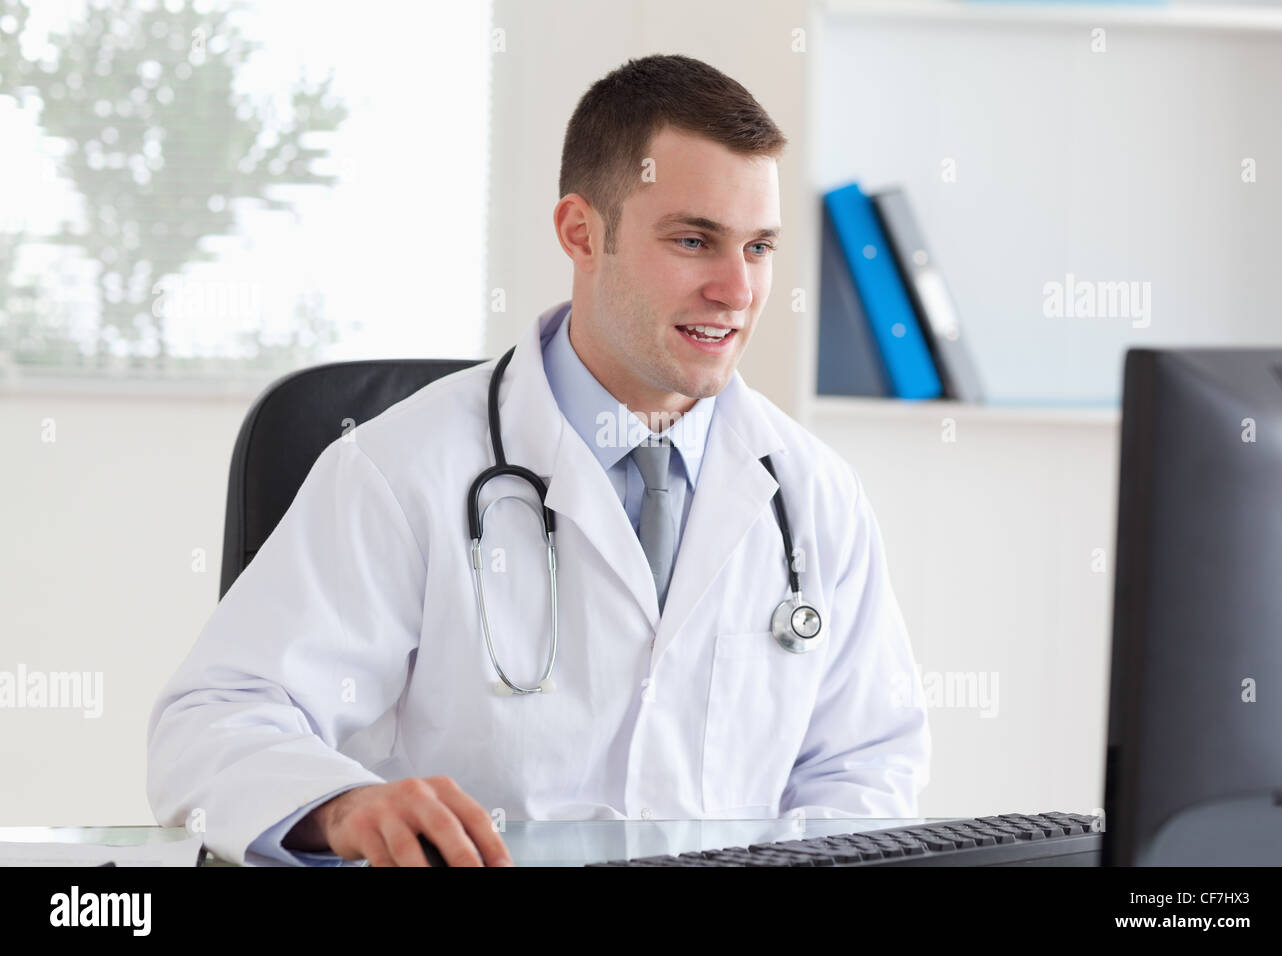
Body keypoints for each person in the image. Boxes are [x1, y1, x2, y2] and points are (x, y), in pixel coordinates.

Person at [146, 53, 931, 867]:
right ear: (582, 233)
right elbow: (211, 722)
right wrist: (341, 807)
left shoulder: (813, 495)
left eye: (760, 248)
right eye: (694, 240)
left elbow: (863, 766)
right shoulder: (400, 470)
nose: (736, 290)